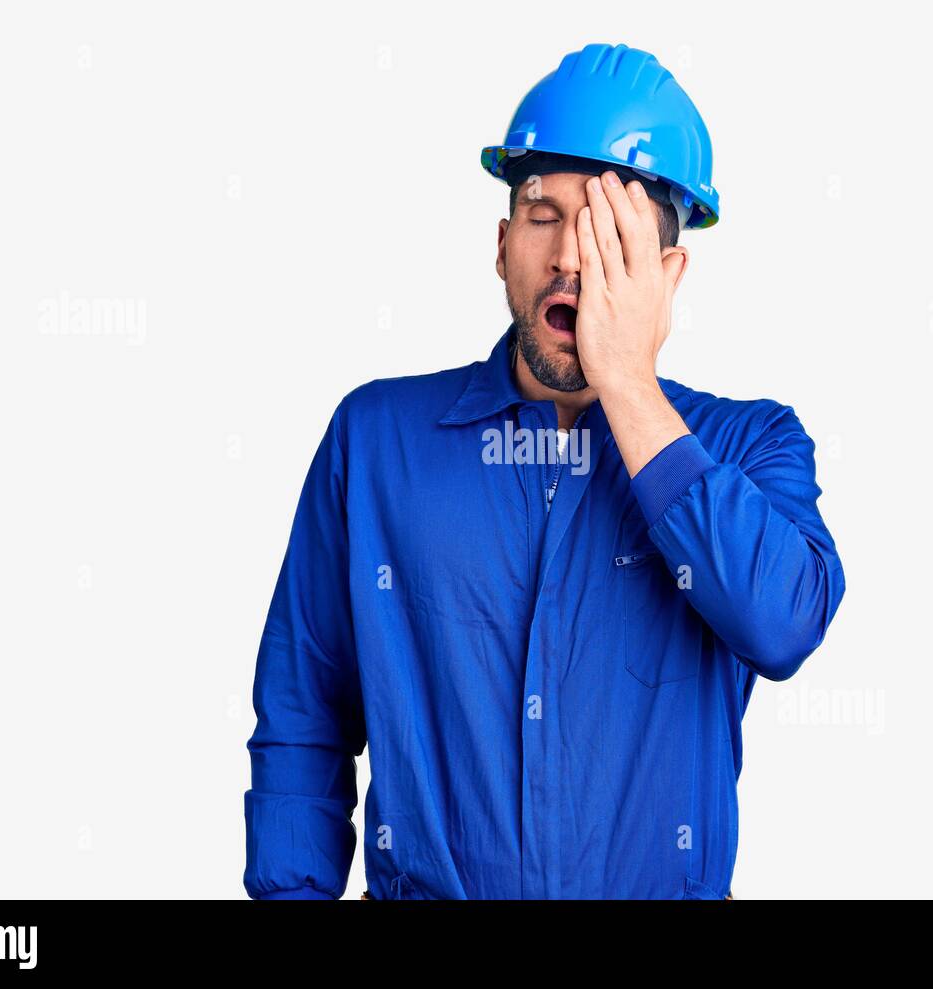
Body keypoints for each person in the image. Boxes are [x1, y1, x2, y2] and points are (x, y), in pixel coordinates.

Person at [243, 42, 845, 900]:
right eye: (543, 214)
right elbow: (304, 716)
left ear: (667, 275)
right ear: (499, 245)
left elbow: (784, 624)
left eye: (610, 228)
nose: (571, 257)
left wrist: (628, 380)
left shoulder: (751, 446)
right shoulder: (374, 441)